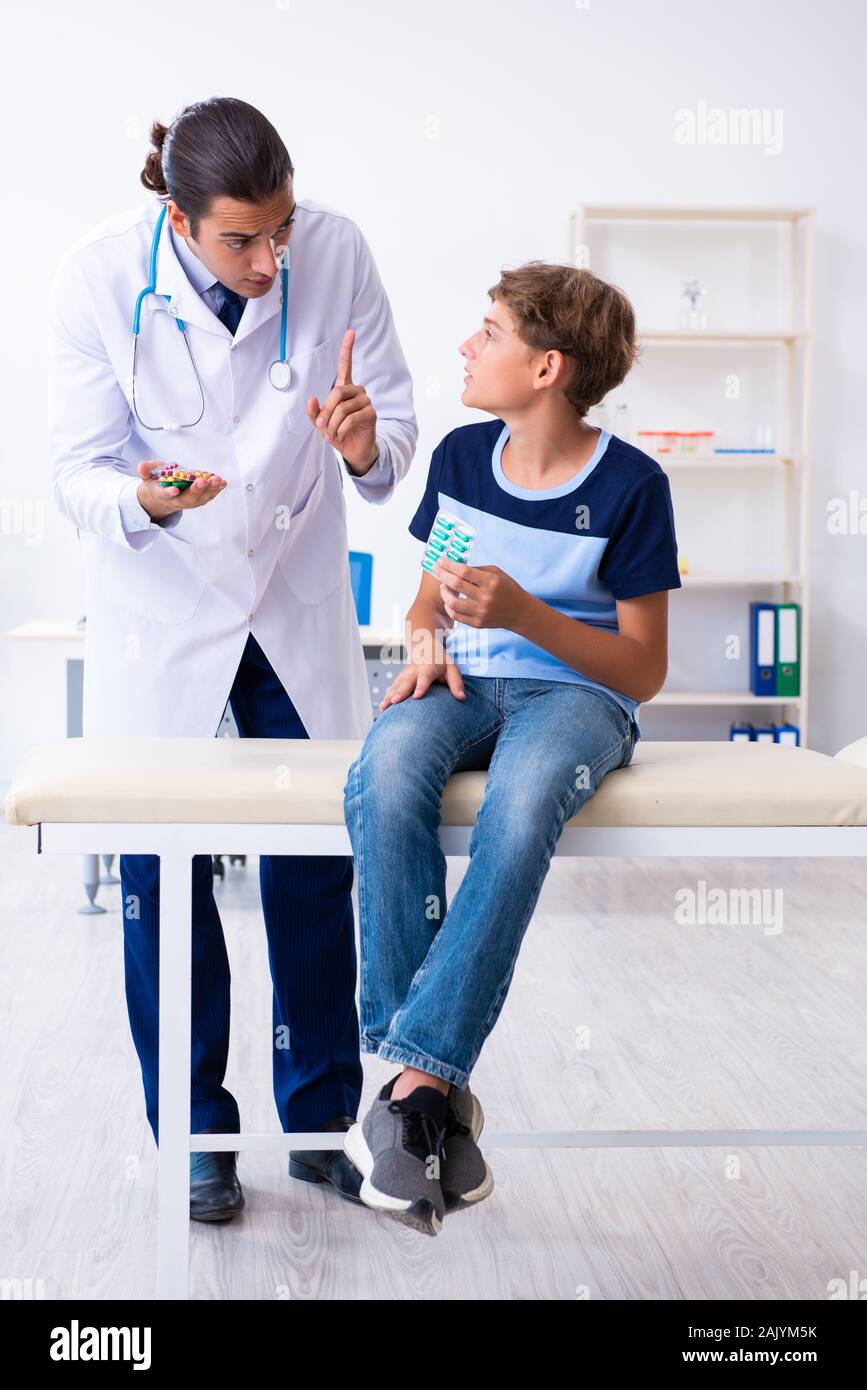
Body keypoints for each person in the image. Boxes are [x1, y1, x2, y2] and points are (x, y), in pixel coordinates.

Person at [47, 96, 417, 1220]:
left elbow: (392, 441)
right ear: (176, 215)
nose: (269, 259)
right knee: (165, 878)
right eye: (239, 240)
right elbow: (74, 472)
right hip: (164, 609)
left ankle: (318, 1127)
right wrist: (143, 499)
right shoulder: (99, 277)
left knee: (318, 873)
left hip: (292, 604)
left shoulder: (336, 252)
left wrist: (365, 446)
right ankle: (197, 1138)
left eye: (280, 229)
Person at [342, 261, 682, 1235]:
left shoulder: (631, 485)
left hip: (577, 695)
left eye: (488, 331)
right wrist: (422, 636)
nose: (466, 345)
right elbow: (427, 589)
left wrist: (527, 613)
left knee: (522, 804)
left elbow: (645, 670)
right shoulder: (457, 457)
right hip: (461, 679)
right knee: (389, 768)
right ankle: (431, 1087)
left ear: (547, 367)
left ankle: (411, 1089)